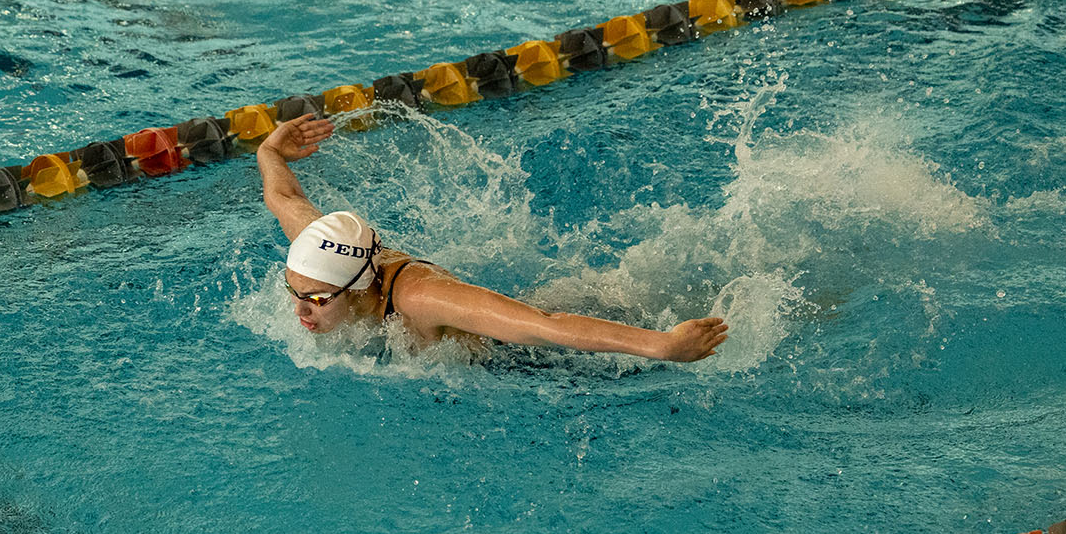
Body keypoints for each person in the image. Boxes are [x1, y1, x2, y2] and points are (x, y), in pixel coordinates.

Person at [258, 114, 729, 362]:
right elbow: (284, 195)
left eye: (316, 299)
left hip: (523, 362)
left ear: (359, 286)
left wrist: (662, 345)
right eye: (293, 292)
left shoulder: (423, 298)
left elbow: (544, 325)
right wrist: (270, 148)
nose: (298, 310)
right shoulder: (317, 255)